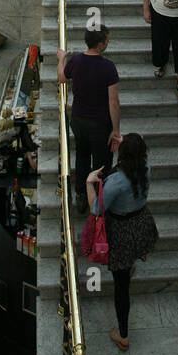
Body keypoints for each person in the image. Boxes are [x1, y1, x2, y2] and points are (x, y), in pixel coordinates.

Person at [86, 133, 158, 352]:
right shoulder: (146, 168)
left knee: (121, 287)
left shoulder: (116, 181)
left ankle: (123, 335)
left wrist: (90, 183)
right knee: (130, 261)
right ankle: (129, 267)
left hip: (120, 231)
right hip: (140, 223)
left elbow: (97, 209)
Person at [57, 26, 120, 214]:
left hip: (78, 120)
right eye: (106, 40)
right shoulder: (108, 67)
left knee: (82, 156)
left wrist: (61, 59)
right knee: (102, 163)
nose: (108, 42)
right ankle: (100, 198)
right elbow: (113, 101)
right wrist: (115, 130)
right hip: (100, 124)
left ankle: (81, 195)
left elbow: (61, 78)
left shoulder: (75, 61)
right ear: (100, 44)